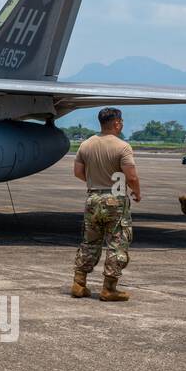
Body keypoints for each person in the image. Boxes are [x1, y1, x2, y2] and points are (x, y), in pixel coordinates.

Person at [71, 107, 141, 301]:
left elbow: (77, 172)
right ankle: (109, 288)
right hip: (116, 200)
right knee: (117, 242)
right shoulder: (122, 147)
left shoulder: (86, 144)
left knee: (90, 241)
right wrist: (136, 191)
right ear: (116, 123)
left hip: (93, 198)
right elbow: (131, 176)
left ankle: (79, 283)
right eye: (122, 121)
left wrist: (96, 183)